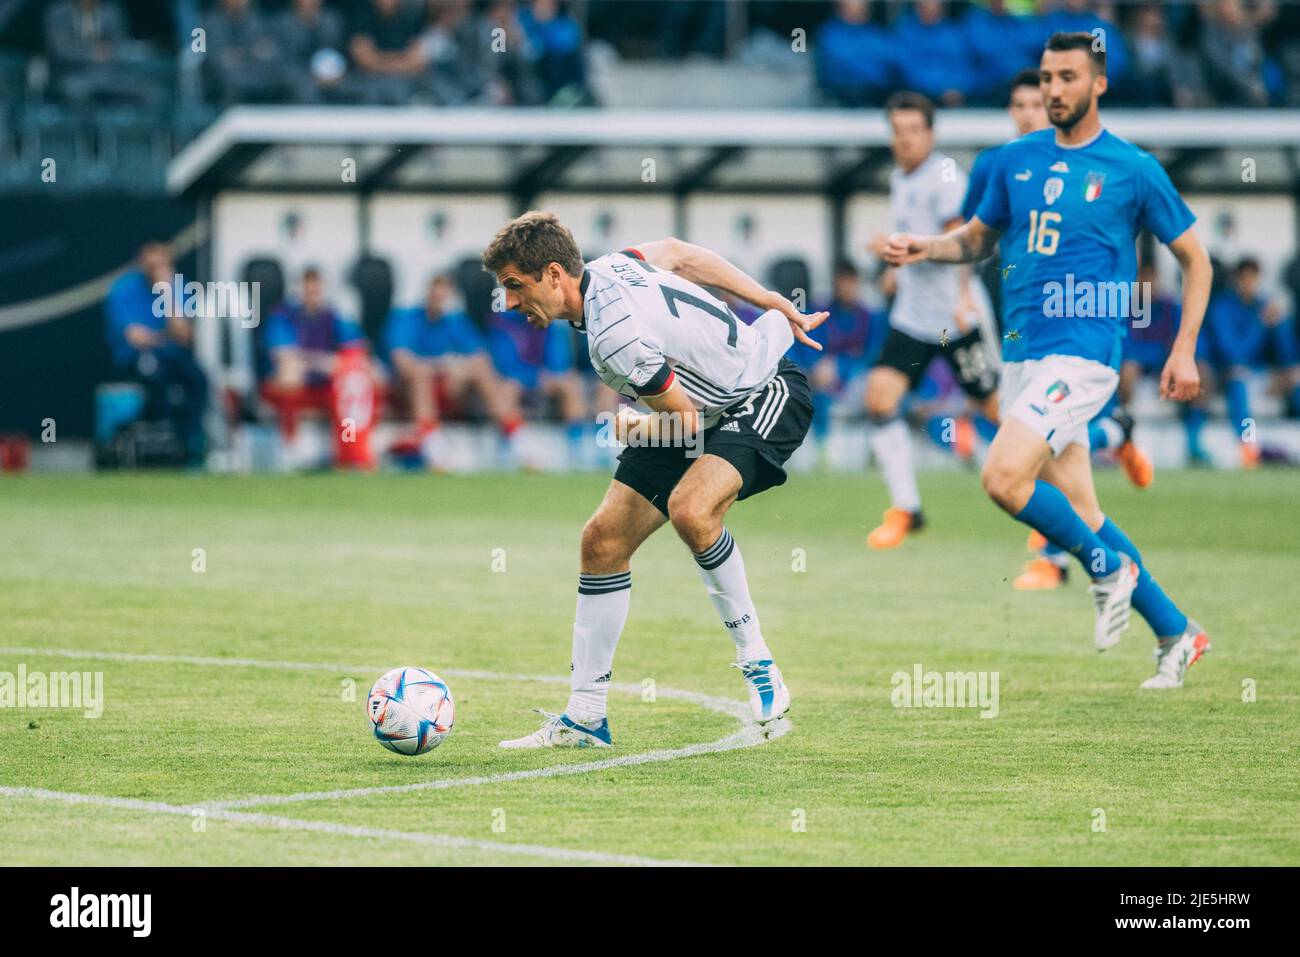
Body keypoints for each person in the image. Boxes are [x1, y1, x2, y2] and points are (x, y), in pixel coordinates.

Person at [883, 32, 1215, 689]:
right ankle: (1179, 631)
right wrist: (927, 247)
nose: (1053, 89)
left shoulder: (1134, 168)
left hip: (1085, 355)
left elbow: (1196, 259)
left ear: (1099, 84)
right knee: (1083, 510)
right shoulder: (1013, 159)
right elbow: (977, 241)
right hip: (1022, 356)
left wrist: (1183, 348)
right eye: (1046, 77)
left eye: (1067, 77)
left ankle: (1104, 568)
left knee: (1003, 477)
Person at [482, 212, 825, 747]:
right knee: (602, 543)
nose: (507, 302)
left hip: (762, 393)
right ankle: (586, 716)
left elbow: (682, 425)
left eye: (513, 286)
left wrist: (633, 425)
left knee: (693, 509)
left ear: (553, 274)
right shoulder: (612, 266)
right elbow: (679, 252)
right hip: (701, 409)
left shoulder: (611, 336)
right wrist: (769, 300)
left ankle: (757, 662)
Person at [864, 91, 999, 550]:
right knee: (880, 397)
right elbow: (913, 242)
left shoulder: (944, 176)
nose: (904, 140)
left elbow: (962, 239)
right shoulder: (902, 179)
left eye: (913, 131)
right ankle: (907, 508)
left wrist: (963, 295)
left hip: (956, 317)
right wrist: (891, 267)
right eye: (897, 131)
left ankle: (1052, 504)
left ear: (931, 133)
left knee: (997, 410)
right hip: (913, 316)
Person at [384, 274, 525, 469]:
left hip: (450, 389)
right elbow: (403, 362)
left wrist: (459, 370)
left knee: (482, 373)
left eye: (443, 297)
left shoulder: (456, 322)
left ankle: (515, 440)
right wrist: (443, 366)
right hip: (409, 391)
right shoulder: (406, 318)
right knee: (420, 375)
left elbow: (481, 358)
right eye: (435, 296)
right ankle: (433, 448)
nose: (438, 301)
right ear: (427, 295)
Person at [104, 241, 208, 466]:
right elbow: (136, 337)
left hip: (172, 356)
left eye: (162, 260)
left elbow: (185, 335)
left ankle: (191, 445)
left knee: (199, 380)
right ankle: (159, 448)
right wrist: (163, 337)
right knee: (155, 376)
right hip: (135, 358)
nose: (157, 266)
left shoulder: (178, 288)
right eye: (152, 261)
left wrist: (167, 294)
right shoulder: (124, 289)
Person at [1198, 257, 1300, 468]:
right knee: (1239, 378)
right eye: (1245, 279)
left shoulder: (1264, 305)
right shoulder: (1223, 307)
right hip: (1227, 375)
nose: (1249, 284)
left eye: (1253, 279)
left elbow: (1287, 355)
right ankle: (1247, 443)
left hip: (1261, 374)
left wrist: (1279, 325)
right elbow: (1232, 352)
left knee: (1296, 375)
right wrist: (1260, 324)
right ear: (1236, 279)